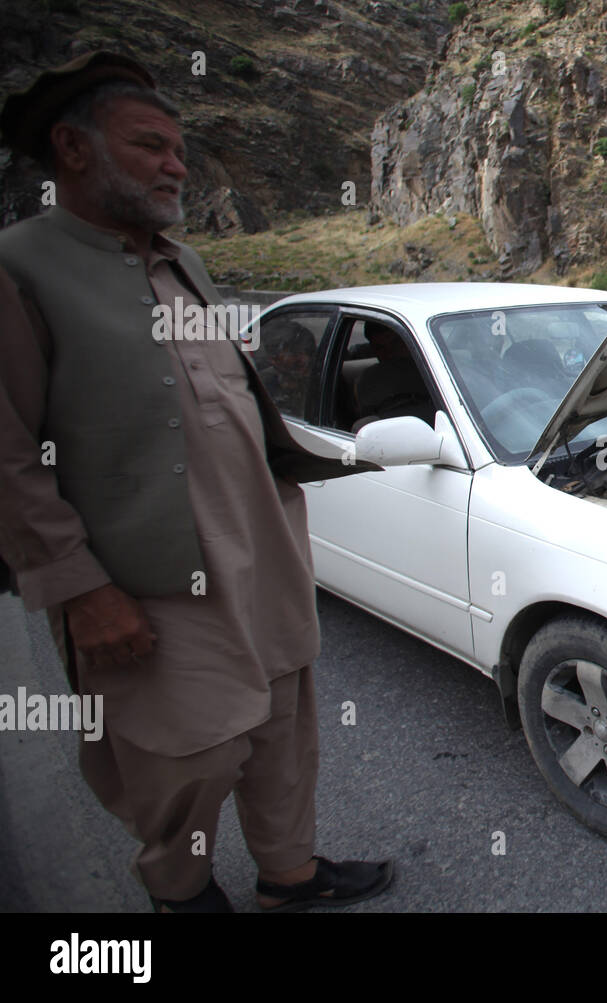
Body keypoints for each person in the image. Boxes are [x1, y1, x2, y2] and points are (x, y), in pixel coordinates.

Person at [0, 51, 394, 910]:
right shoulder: (22, 267)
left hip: (263, 547)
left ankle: (288, 876)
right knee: (188, 751)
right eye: (151, 146)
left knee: (283, 724)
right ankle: (180, 891)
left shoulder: (182, 262)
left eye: (180, 149)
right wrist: (80, 589)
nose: (178, 165)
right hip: (148, 575)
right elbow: (9, 457)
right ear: (73, 148)